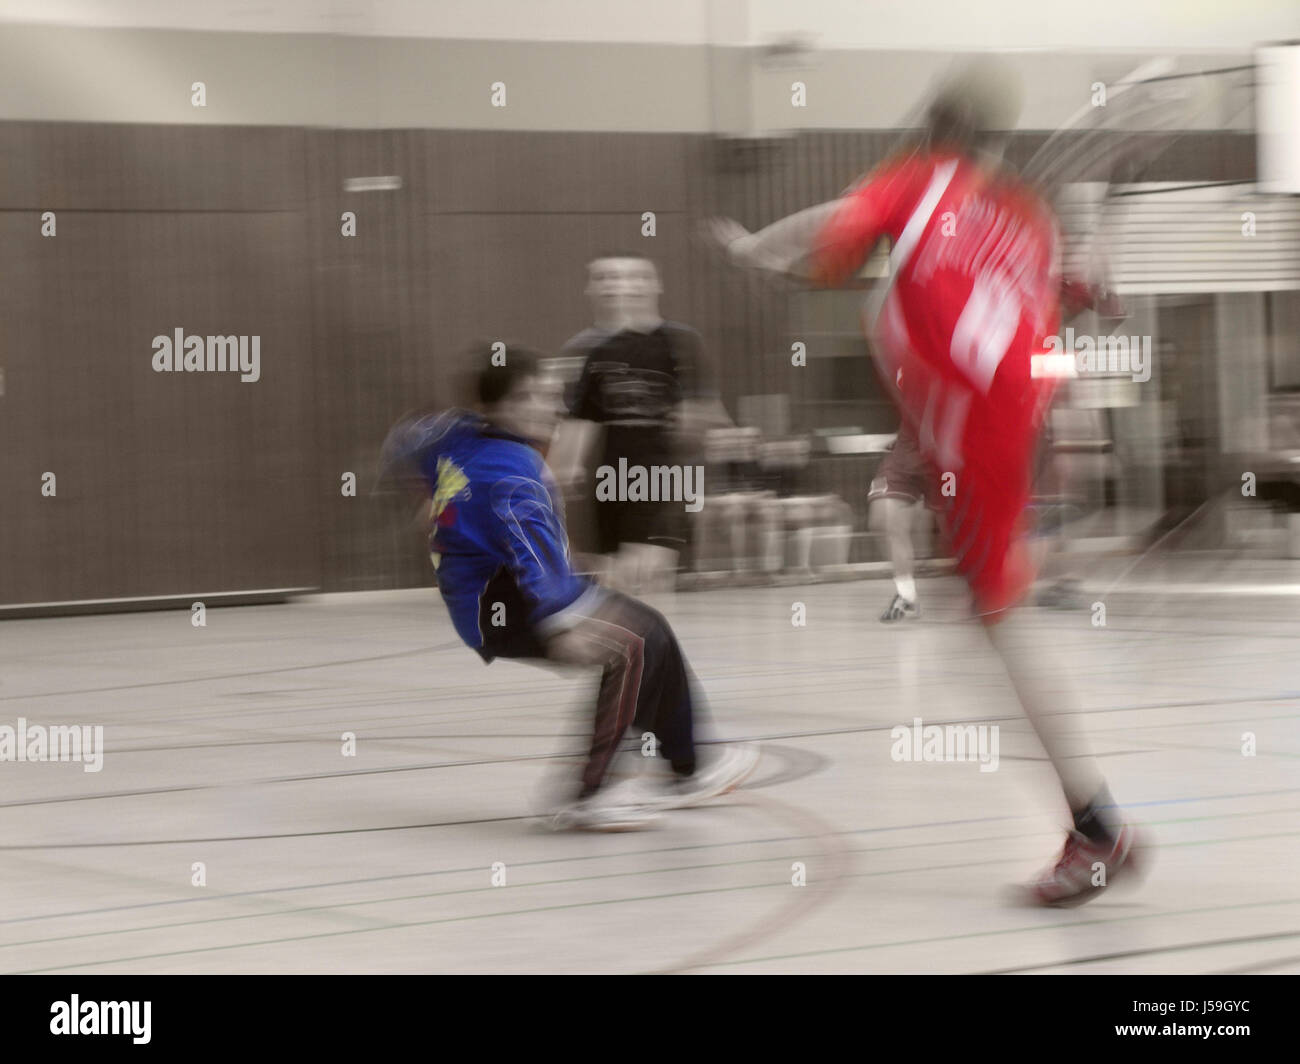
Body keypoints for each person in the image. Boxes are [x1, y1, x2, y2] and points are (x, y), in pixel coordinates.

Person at [709, 58, 1145, 906]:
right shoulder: (1024, 212)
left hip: (968, 422)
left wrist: (756, 249)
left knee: (995, 628)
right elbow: (1086, 295)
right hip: (1014, 415)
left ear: (930, 127)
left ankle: (1097, 826)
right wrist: (1095, 258)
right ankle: (1094, 820)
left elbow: (830, 227)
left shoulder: (915, 178)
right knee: (986, 621)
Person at [378, 345, 758, 832]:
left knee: (653, 627)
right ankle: (585, 796)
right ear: (499, 407)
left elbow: (406, 440)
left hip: (485, 590)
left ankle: (688, 770)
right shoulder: (514, 472)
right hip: (505, 604)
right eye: (531, 397)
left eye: (550, 394)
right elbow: (533, 557)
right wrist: (562, 622)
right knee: (632, 644)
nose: (550, 406)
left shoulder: (457, 432)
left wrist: (425, 495)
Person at [551, 253, 728, 594]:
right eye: (605, 278)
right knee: (612, 583)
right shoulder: (583, 349)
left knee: (649, 576)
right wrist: (558, 477)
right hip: (607, 481)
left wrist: (700, 431)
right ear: (591, 288)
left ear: (655, 285)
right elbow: (575, 424)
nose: (620, 286)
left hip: (664, 478)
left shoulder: (681, 342)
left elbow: (708, 415)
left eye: (634, 277)